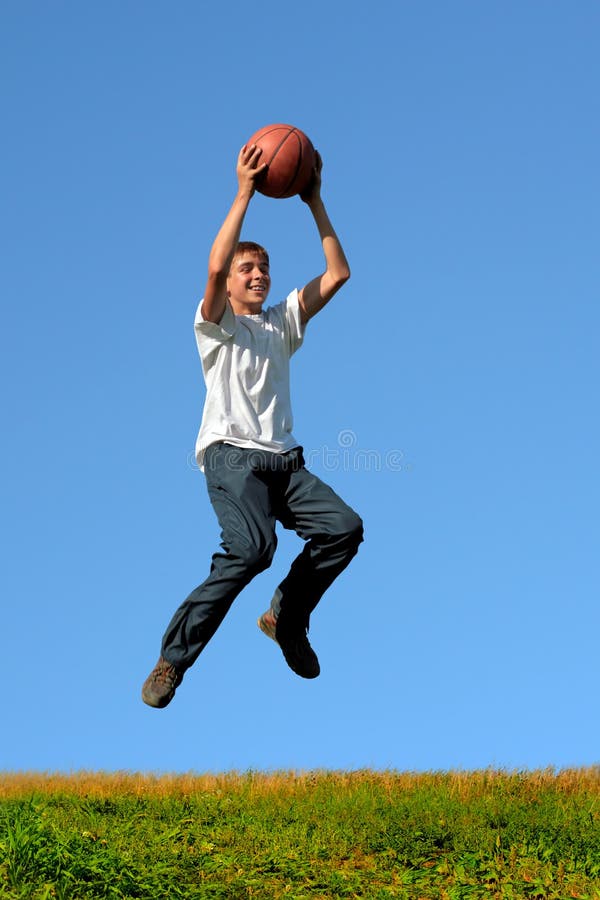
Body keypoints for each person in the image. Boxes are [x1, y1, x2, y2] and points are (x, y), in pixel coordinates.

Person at [142, 142, 364, 708]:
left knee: (343, 527)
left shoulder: (281, 324)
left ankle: (286, 617)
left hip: (284, 461)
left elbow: (338, 273)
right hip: (230, 456)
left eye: (264, 267)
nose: (258, 275)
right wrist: (244, 191)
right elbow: (214, 266)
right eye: (249, 269)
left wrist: (315, 200)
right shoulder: (215, 325)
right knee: (251, 550)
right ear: (232, 285)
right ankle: (173, 661)